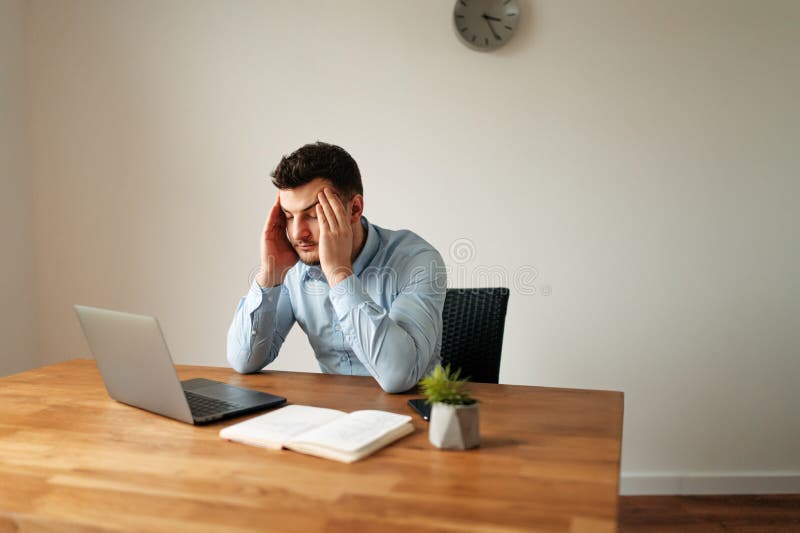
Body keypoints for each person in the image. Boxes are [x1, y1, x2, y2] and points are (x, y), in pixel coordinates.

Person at [227, 142, 446, 393]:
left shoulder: (418, 259)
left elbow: (398, 377)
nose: (298, 233)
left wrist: (339, 274)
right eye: (288, 216)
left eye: (312, 215)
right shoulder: (293, 268)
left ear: (354, 209)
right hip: (333, 415)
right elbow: (244, 361)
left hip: (413, 415)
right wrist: (270, 274)